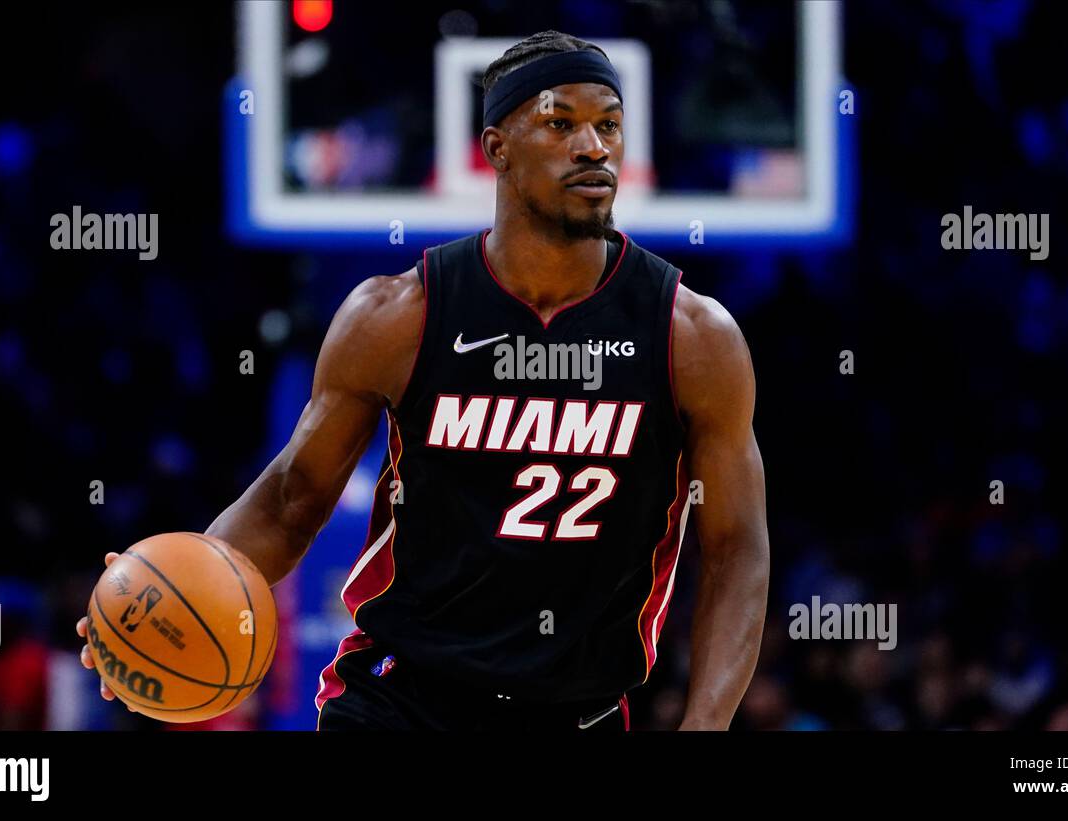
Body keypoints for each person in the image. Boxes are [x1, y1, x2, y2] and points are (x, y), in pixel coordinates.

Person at [79, 30, 770, 731]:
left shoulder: (692, 337)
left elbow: (737, 550)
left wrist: (705, 724)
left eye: (609, 125)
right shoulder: (397, 315)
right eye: (561, 123)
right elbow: (291, 501)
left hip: (576, 710)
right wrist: (162, 598)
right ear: (497, 148)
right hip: (399, 698)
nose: (593, 146)